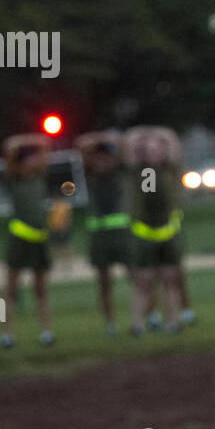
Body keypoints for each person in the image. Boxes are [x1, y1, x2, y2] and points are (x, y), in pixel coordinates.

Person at [125, 126, 184, 336]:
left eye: (156, 149)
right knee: (143, 281)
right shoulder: (137, 169)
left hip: (167, 233)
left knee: (170, 279)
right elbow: (130, 141)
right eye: (148, 149)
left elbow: (172, 139)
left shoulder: (170, 168)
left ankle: (173, 322)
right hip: (145, 234)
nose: (152, 152)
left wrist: (157, 134)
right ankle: (138, 324)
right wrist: (143, 135)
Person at [0, 133, 55, 348]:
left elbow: (45, 145)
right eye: (29, 158)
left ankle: (47, 332)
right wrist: (23, 144)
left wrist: (36, 143)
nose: (35, 160)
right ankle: (4, 334)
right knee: (9, 290)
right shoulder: (13, 180)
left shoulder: (39, 178)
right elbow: (9, 145)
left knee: (41, 290)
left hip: (39, 241)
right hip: (19, 240)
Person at [75, 131, 132, 336]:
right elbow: (81, 143)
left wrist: (107, 140)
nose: (102, 160)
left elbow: (124, 142)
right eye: (98, 156)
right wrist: (100, 142)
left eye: (106, 155)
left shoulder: (121, 171)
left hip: (122, 234)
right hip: (99, 236)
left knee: (137, 277)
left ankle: (146, 317)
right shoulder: (89, 175)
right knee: (104, 284)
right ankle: (110, 324)